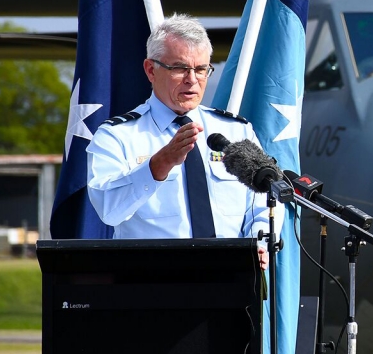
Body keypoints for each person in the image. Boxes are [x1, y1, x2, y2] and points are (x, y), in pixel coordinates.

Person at [87, 14, 278, 268]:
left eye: (201, 69)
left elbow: (264, 201)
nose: (192, 80)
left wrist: (258, 244)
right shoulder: (118, 135)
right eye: (179, 68)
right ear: (151, 70)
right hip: (153, 279)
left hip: (231, 277)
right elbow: (108, 210)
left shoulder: (235, 131)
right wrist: (159, 165)